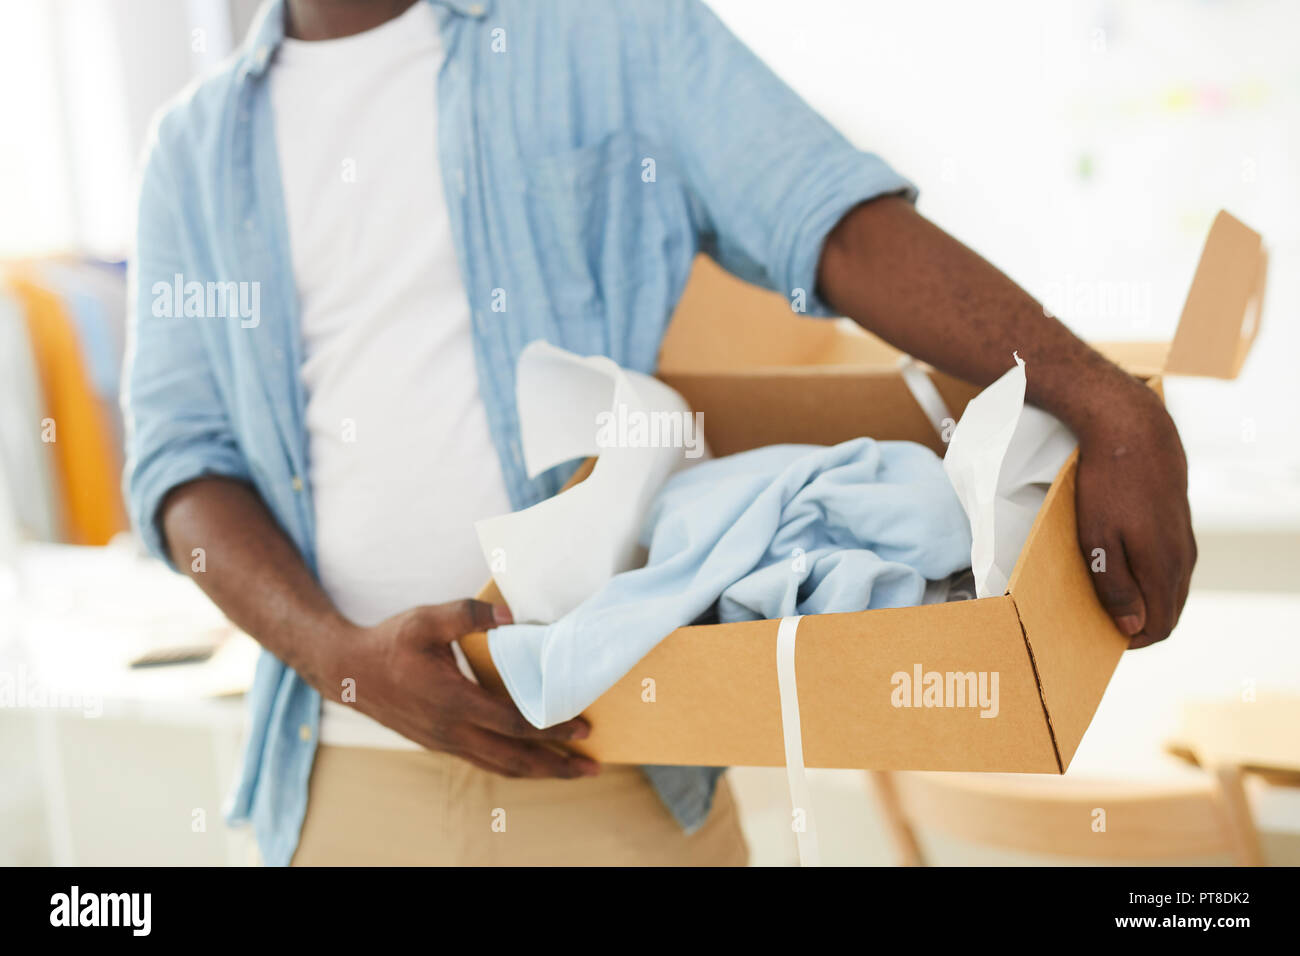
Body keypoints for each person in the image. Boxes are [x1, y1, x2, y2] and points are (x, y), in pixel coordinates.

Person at [124, 0, 1195, 866]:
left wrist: (1102, 396)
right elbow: (183, 465)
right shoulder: (192, 150)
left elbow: (832, 217)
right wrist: (338, 659)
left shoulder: (608, 29)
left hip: (611, 759)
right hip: (339, 780)